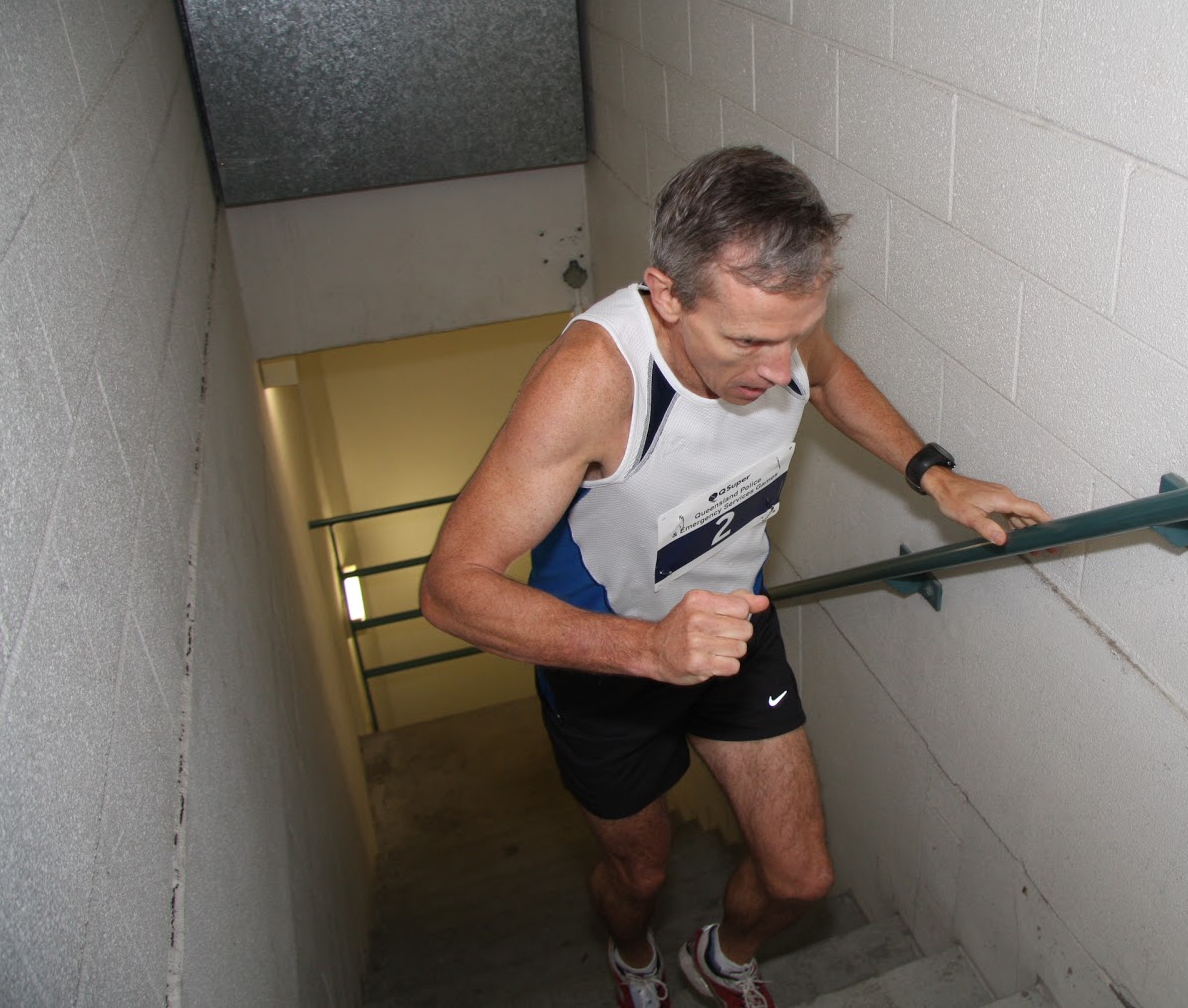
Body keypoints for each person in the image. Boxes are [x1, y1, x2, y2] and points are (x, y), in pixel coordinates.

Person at [420, 147, 1051, 1008]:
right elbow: (451, 586)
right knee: (638, 874)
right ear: (667, 294)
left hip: (734, 624)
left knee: (802, 877)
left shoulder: (780, 320)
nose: (774, 367)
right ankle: (635, 956)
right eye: (748, 341)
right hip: (607, 660)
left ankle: (721, 958)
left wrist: (933, 474)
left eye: (791, 334)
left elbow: (827, 377)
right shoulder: (590, 380)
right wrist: (649, 648)